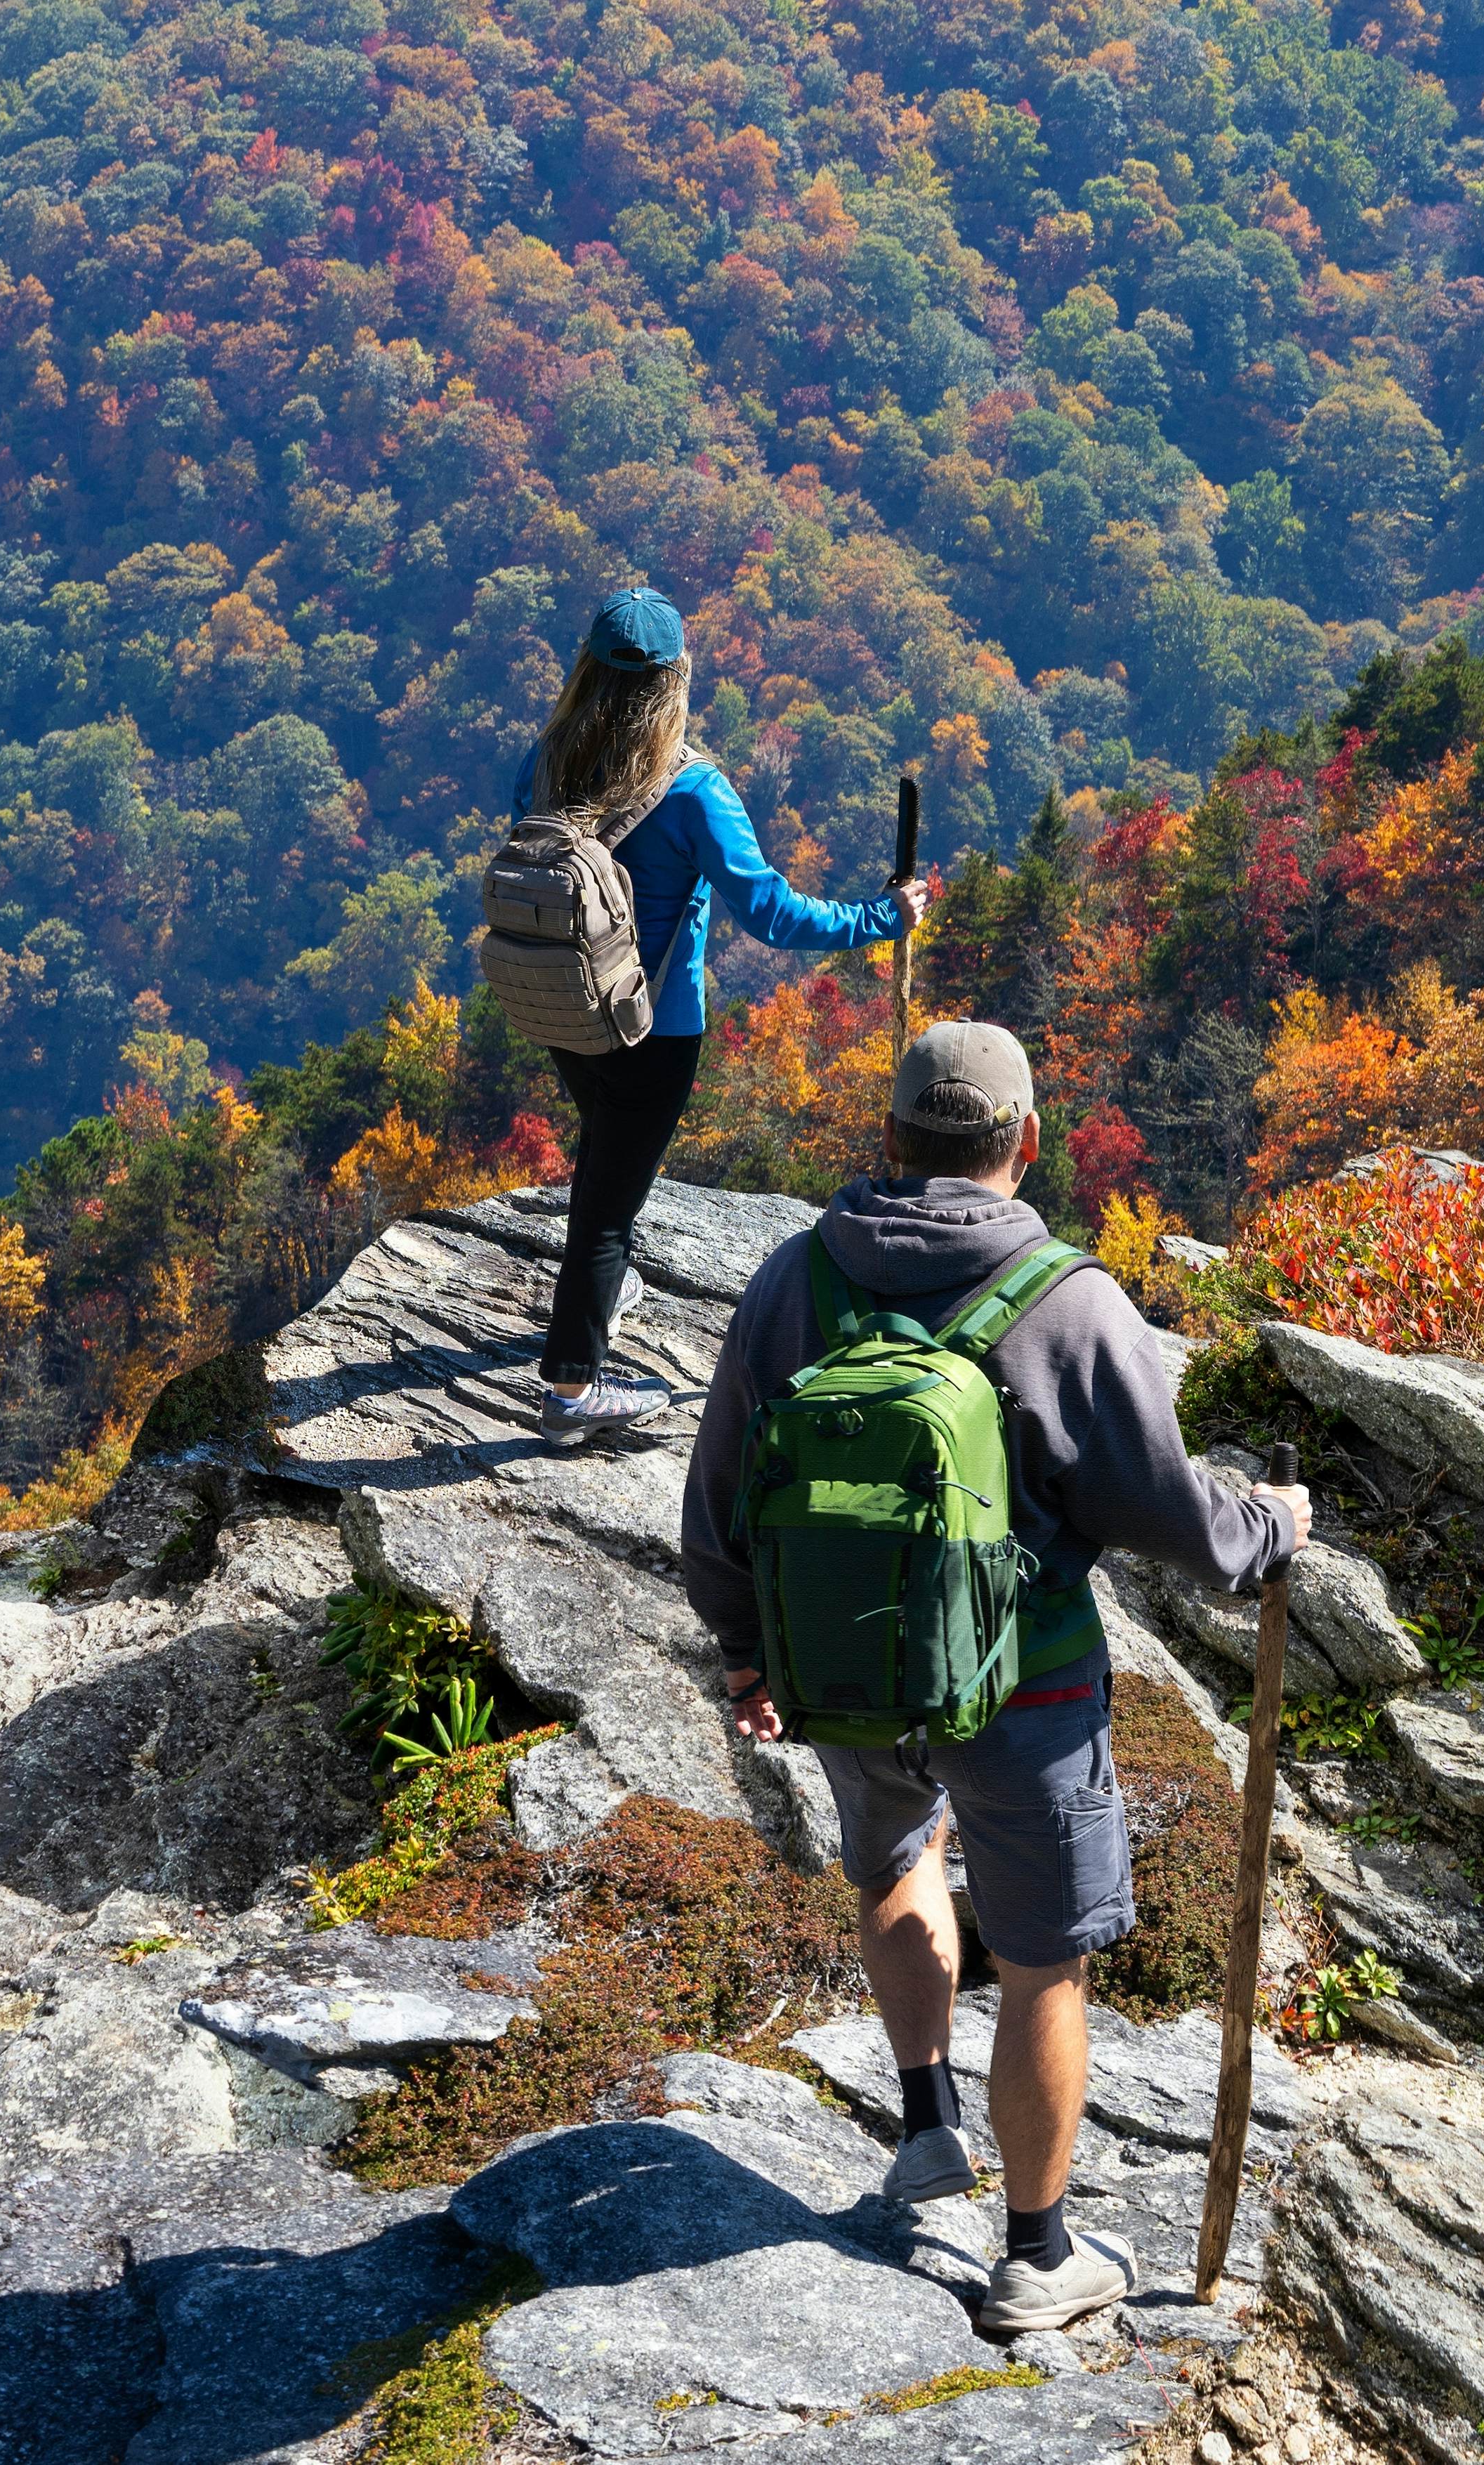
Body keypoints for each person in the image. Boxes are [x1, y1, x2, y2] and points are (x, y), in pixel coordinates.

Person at [677, 1020, 1306, 2342]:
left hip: (846, 1669)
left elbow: (721, 1499)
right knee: (1041, 1968)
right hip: (1023, 1693)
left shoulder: (796, 1280)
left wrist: (747, 1652)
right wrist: (1272, 1527)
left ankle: (924, 2127)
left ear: (890, 1140)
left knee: (896, 1862)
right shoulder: (1069, 1303)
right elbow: (1172, 1519)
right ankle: (1035, 2254)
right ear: (1025, 1144)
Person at [513, 587, 922, 1434]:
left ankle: (607, 1287)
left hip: (561, 1005)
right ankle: (569, 1388)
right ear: (675, 682)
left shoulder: (544, 761)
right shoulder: (692, 792)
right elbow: (771, 914)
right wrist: (883, 917)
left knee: (607, 1157)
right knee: (606, 1208)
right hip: (653, 1029)